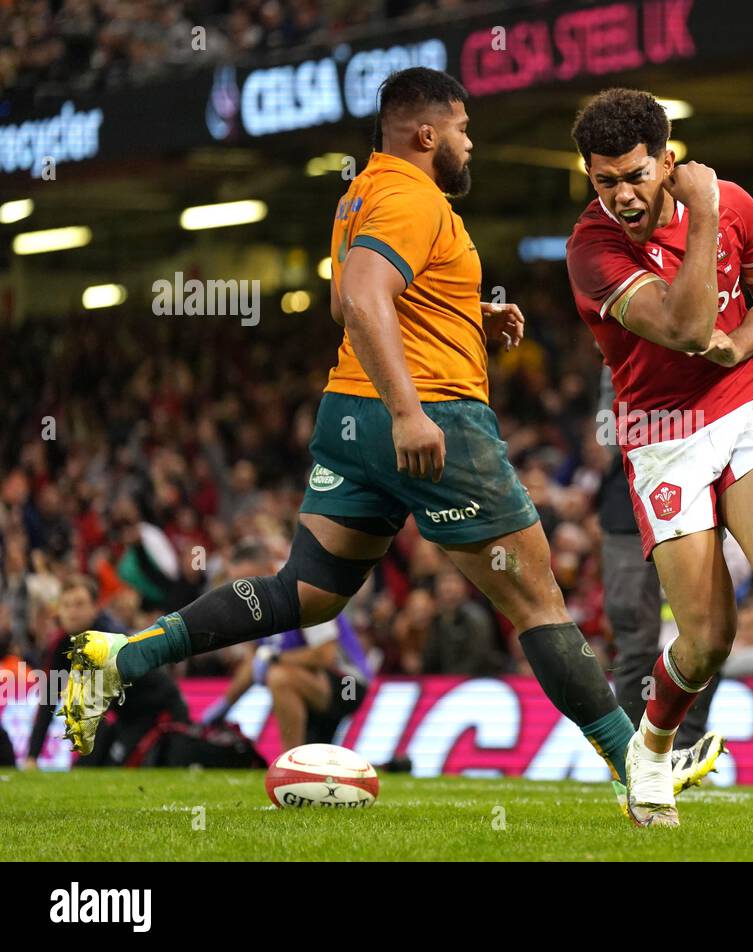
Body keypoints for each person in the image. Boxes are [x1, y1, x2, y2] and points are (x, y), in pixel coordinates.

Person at [60, 68, 714, 812]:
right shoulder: (410, 194)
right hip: (432, 417)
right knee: (538, 604)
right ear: (427, 133)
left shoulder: (361, 193)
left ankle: (125, 655)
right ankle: (641, 770)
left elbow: (350, 296)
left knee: (303, 592)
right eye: (463, 128)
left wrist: (468, 320)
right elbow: (366, 297)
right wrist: (409, 411)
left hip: (350, 418)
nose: (471, 142)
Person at [565, 88, 753, 829]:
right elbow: (688, 323)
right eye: (605, 181)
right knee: (705, 641)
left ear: (666, 158)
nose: (623, 196)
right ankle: (651, 748)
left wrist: (743, 344)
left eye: (636, 175)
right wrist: (701, 215)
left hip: (743, 404)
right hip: (662, 433)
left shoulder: (735, 203)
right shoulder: (592, 249)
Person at [595, 367, 726, 788]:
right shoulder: (621, 348)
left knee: (709, 631)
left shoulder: (706, 338)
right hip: (628, 508)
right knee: (635, 641)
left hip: (692, 496)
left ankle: (682, 749)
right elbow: (604, 441)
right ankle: (630, 756)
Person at [201, 541, 372, 750]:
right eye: (237, 586)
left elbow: (325, 655)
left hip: (348, 682)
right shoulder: (260, 602)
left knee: (278, 676)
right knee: (320, 764)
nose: (243, 594)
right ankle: (301, 759)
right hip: (310, 682)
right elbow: (256, 661)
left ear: (270, 569)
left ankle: (288, 760)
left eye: (246, 583)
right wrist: (223, 708)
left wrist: (273, 658)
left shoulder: (304, 588)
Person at [34, 576, 188, 767]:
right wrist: (31, 757)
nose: (72, 612)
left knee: (112, 767)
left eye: (79, 604)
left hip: (158, 710)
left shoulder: (110, 639)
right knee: (92, 768)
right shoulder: (59, 646)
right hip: (125, 716)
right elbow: (47, 702)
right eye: (66, 605)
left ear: (95, 608)